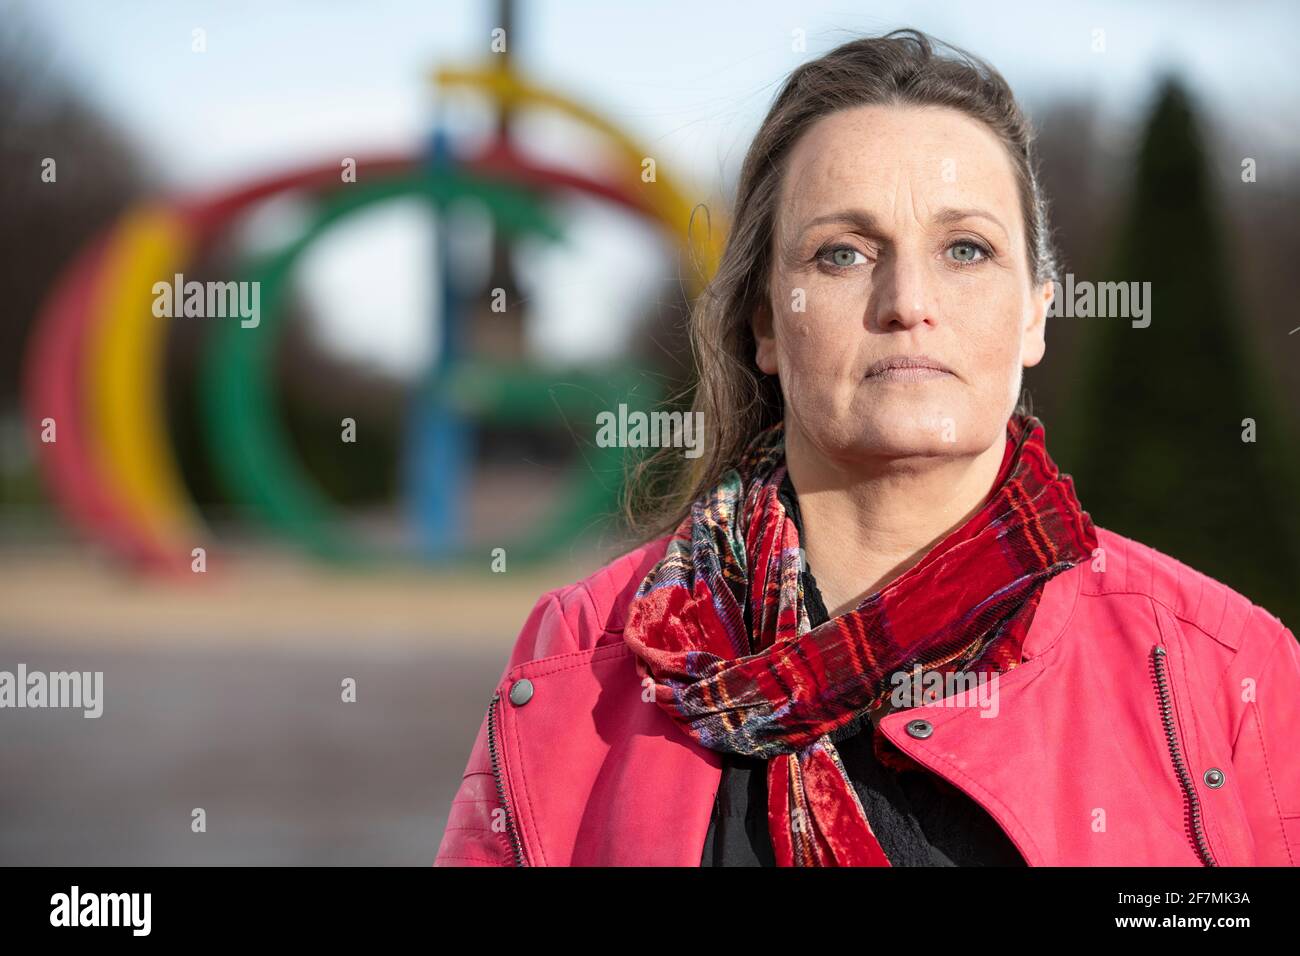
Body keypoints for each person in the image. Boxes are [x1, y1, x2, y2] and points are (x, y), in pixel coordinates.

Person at [433, 28, 1300, 867]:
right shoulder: (580, 661)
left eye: (966, 249)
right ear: (766, 322)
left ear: (1035, 311)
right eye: (842, 253)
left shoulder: (1232, 675)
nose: (908, 300)